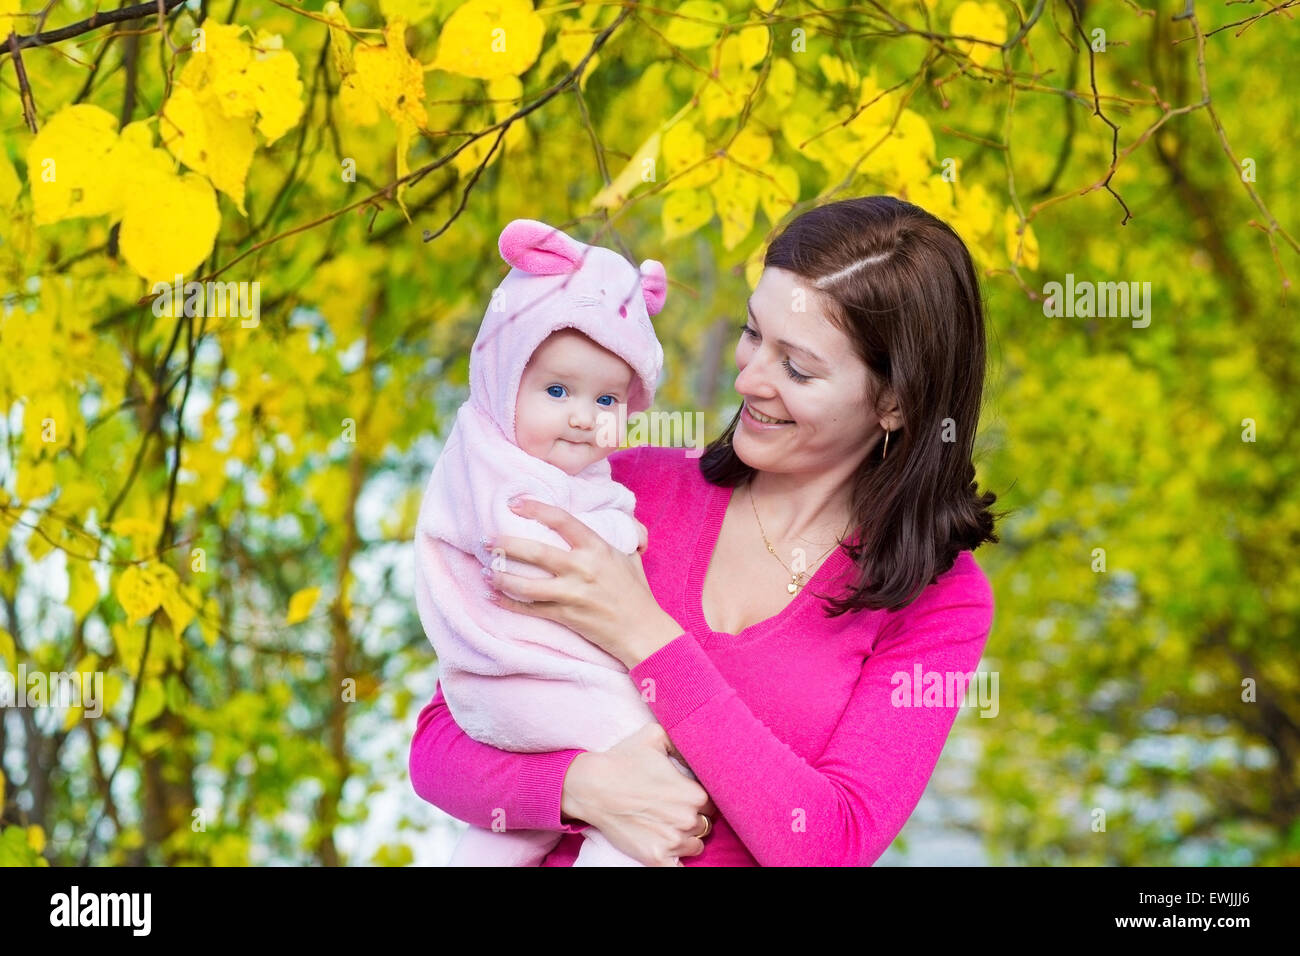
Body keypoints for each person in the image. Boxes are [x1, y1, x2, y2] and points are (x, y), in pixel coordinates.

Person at [410, 195, 1001, 866]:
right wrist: (584, 787)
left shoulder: (939, 600)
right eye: (753, 334)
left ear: (894, 401)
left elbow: (830, 844)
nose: (748, 378)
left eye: (797, 368)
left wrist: (642, 634)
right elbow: (439, 745)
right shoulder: (618, 489)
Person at [413, 218, 698, 866]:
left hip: (514, 687)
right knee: (655, 769)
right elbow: (530, 551)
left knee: (506, 828)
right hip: (521, 675)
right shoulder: (493, 459)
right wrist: (620, 538)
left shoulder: (556, 463)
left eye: (606, 399)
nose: (582, 416)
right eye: (558, 390)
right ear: (501, 376)